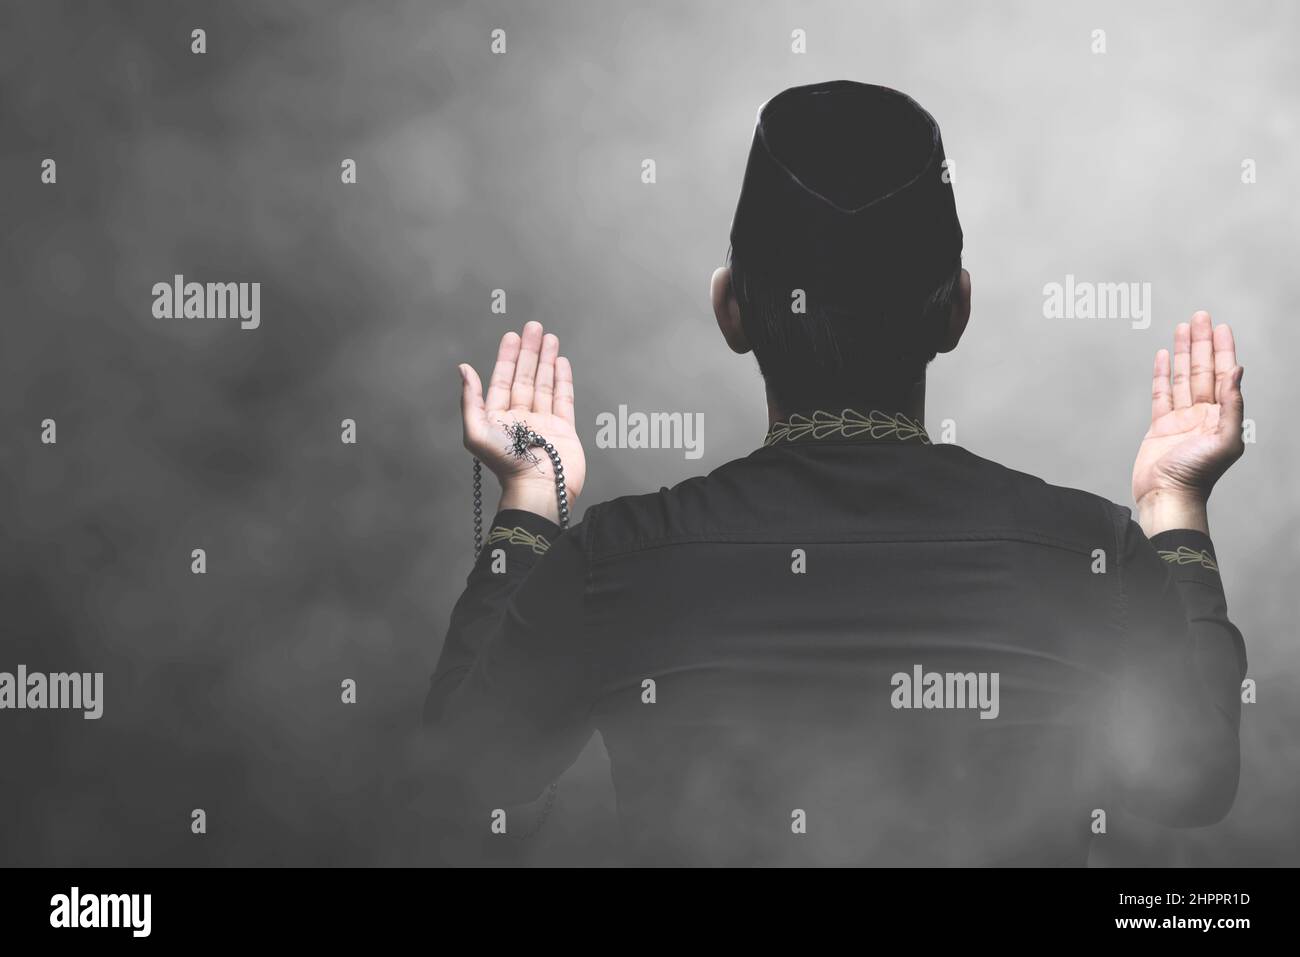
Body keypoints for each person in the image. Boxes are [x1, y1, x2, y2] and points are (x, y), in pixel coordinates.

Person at [421, 81, 1247, 865]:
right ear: (957, 309)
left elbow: (469, 777)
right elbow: (1194, 778)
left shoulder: (621, 556)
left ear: (729, 311)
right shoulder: (1088, 551)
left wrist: (531, 504)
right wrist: (1174, 508)